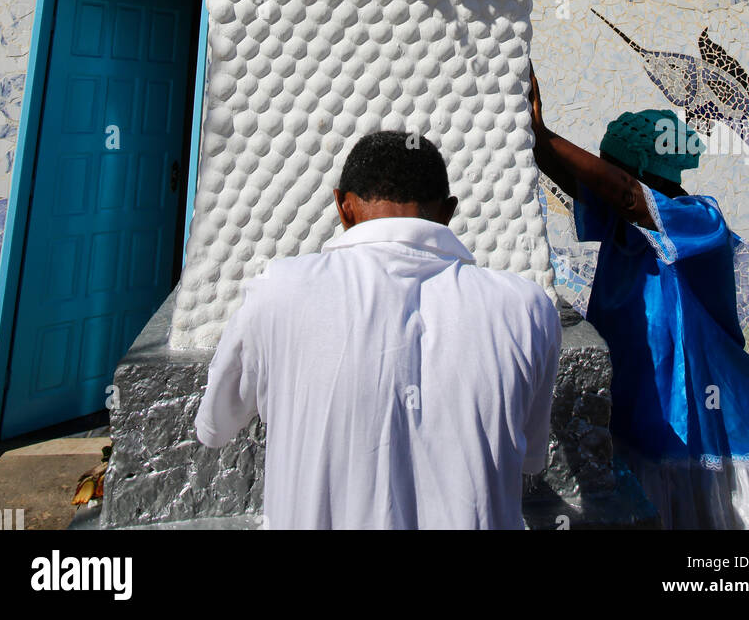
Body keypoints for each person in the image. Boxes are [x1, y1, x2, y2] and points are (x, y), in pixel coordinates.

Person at [195, 131, 562, 530]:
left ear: (343, 207)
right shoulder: (528, 310)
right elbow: (529, 459)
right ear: (448, 212)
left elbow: (214, 427)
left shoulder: (278, 292)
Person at [529, 69, 749, 529]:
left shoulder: (698, 218)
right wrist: (532, 133)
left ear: (644, 170)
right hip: (643, 409)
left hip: (709, 413)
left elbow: (625, 194)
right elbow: (588, 184)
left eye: (613, 165)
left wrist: (545, 132)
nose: (601, 177)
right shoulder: (619, 224)